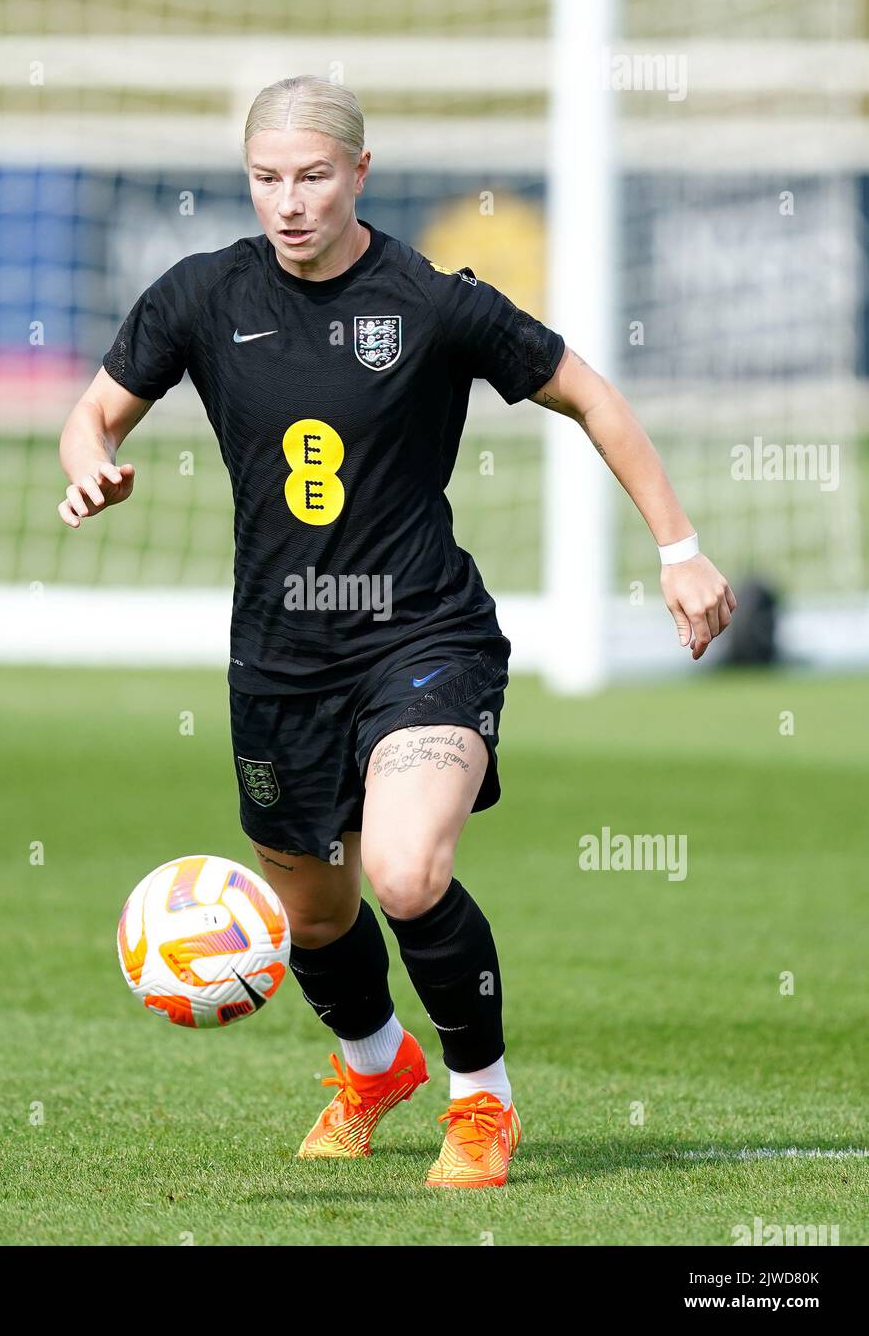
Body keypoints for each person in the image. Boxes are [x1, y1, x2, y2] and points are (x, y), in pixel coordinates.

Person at [57, 74, 736, 1188]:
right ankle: (376, 1065)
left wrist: (678, 547)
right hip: (278, 661)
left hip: (424, 635)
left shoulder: (430, 301)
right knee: (313, 912)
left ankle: (482, 1103)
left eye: (313, 176)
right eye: (266, 178)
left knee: (405, 873)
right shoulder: (199, 295)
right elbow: (92, 411)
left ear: (359, 173)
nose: (289, 201)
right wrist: (90, 465)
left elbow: (590, 396)